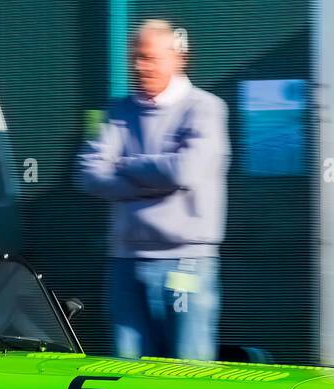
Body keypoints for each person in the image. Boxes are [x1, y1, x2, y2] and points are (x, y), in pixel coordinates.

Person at [76, 19, 229, 361]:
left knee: (189, 367)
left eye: (149, 58)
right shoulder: (113, 112)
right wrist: (154, 181)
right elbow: (88, 172)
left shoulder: (206, 109)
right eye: (135, 57)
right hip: (126, 263)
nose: (139, 67)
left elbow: (185, 170)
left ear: (178, 58)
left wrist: (124, 164)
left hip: (187, 263)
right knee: (128, 367)